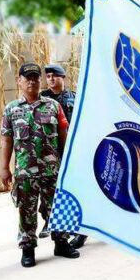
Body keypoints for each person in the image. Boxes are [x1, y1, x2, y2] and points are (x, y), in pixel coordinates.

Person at [0, 63, 80, 267]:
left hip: (52, 171)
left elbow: (64, 136)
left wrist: (68, 164)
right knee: (25, 211)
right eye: (28, 78)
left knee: (56, 208)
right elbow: (6, 140)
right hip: (25, 172)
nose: (33, 82)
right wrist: (3, 168)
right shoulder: (11, 109)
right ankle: (28, 249)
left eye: (36, 78)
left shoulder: (53, 106)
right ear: (19, 81)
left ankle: (61, 243)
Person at [39, 63, 86, 248]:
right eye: (47, 76)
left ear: (62, 77)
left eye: (54, 76)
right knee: (51, 189)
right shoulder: (43, 99)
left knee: (77, 188)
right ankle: (50, 220)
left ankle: (81, 229)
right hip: (52, 152)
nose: (50, 79)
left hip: (74, 150)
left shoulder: (75, 97)